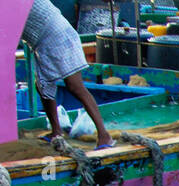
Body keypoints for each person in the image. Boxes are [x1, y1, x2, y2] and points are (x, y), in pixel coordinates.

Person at [21, 0, 113, 148]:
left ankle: (104, 135)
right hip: (40, 42)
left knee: (75, 86)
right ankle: (56, 131)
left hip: (58, 35)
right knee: (42, 85)